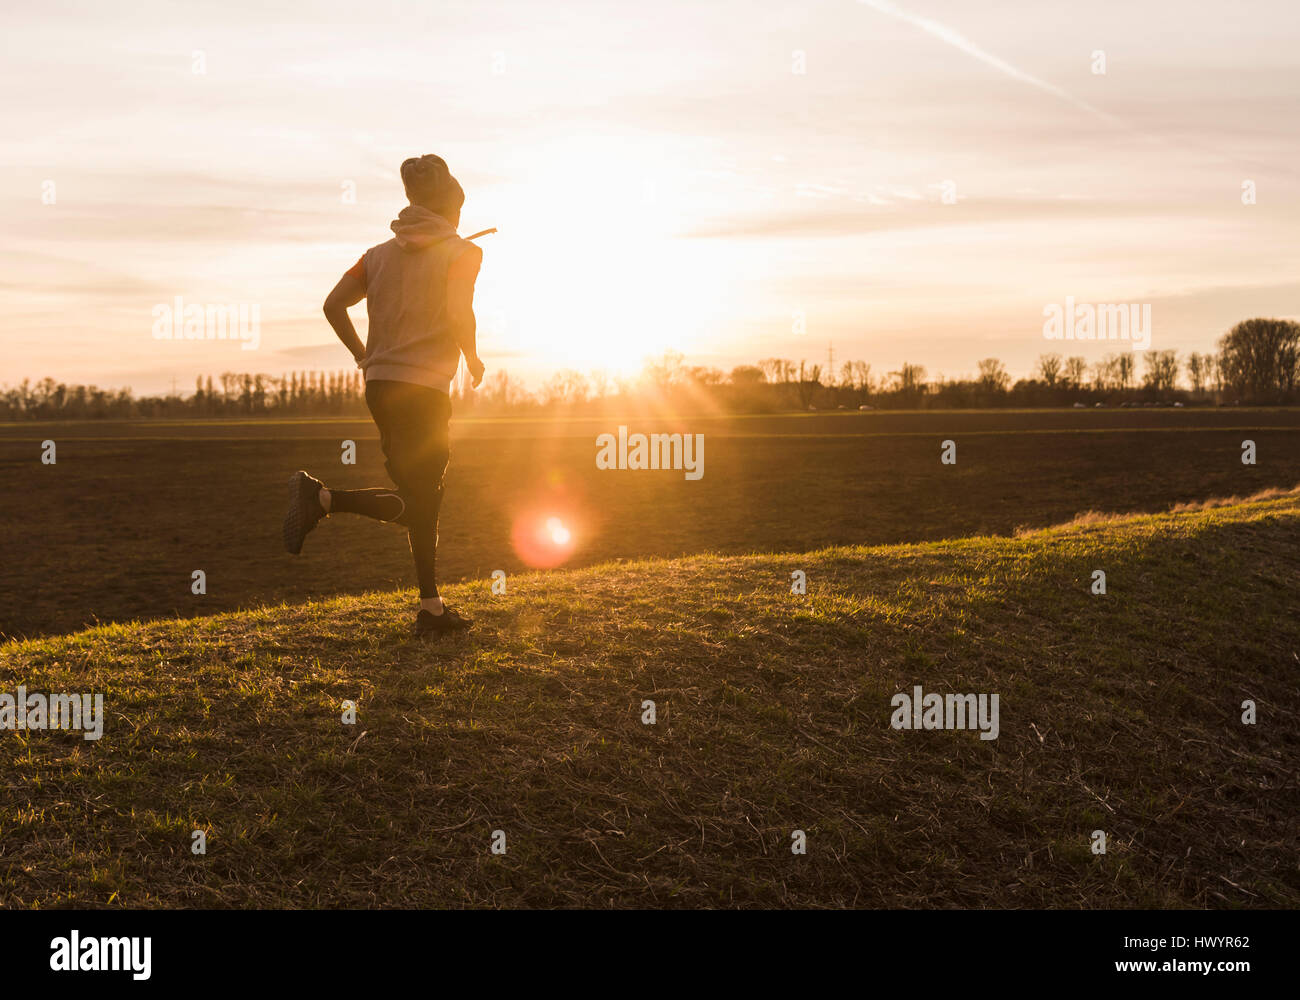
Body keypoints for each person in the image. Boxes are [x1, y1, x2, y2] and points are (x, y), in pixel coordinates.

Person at [282, 153, 485, 637]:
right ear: (452, 209)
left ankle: (325, 501)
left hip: (381, 386)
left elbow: (334, 305)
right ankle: (430, 611)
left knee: (418, 497)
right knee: (425, 499)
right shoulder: (464, 252)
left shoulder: (375, 255)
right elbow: (459, 312)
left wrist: (363, 355)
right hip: (426, 389)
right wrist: (473, 358)